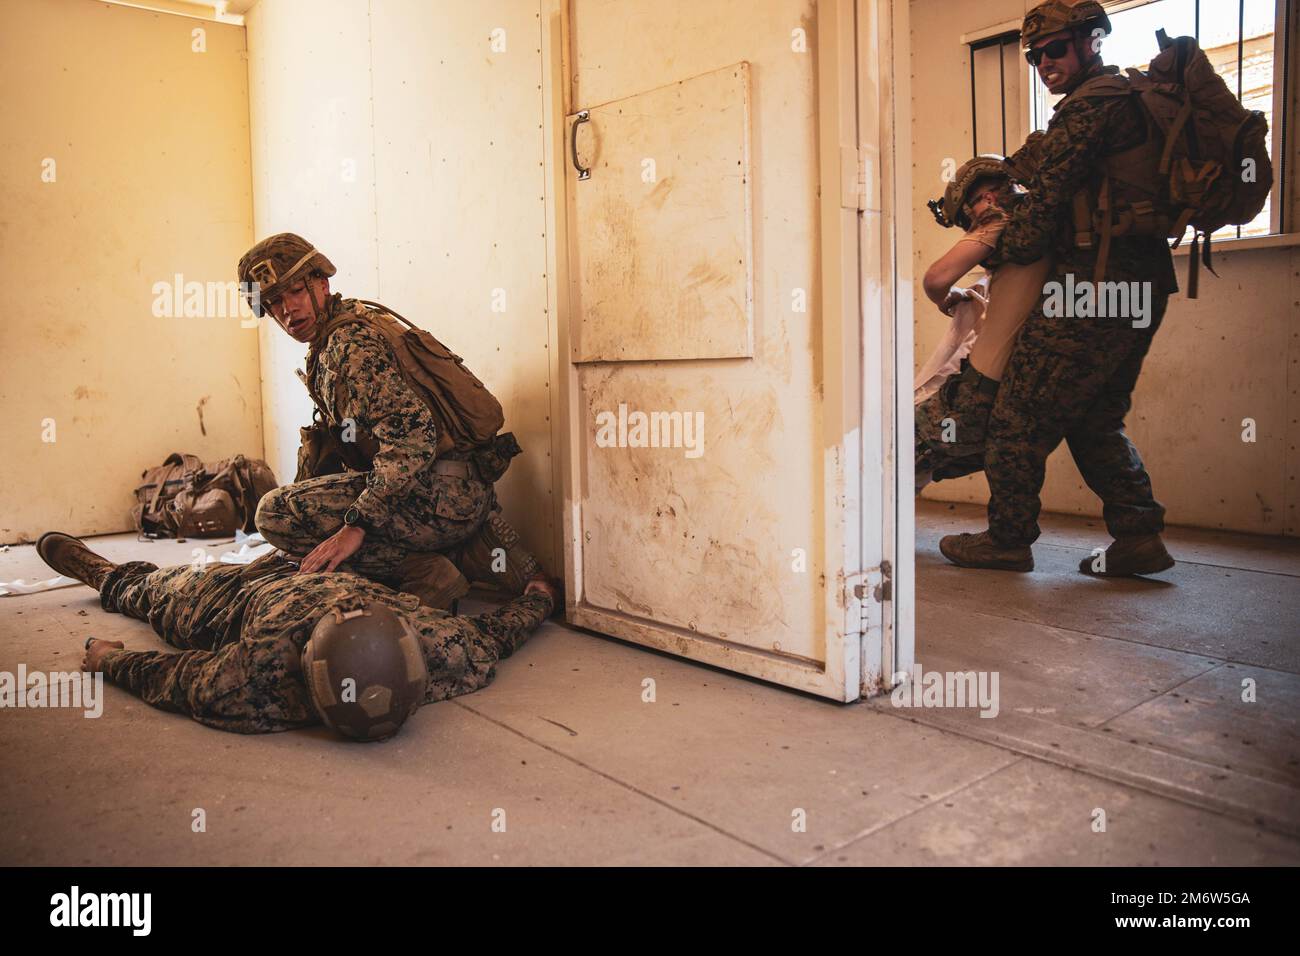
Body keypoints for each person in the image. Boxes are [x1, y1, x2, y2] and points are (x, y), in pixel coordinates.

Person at [939, 0, 1177, 576]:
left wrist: (993, 240)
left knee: (1015, 415)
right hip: (1142, 287)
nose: (1044, 63)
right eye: (1035, 56)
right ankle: (1139, 536)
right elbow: (1024, 171)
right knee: (1095, 418)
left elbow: (1036, 221)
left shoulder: (1088, 110)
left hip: (1090, 289)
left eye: (1055, 49)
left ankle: (1007, 539)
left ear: (1092, 41)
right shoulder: (1118, 101)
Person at [237, 233, 540, 608]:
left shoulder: (348, 345)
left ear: (322, 283)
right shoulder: (355, 323)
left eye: (296, 291)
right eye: (274, 302)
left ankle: (428, 569)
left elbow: (413, 438)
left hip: (438, 500)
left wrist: (356, 525)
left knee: (274, 514)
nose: (288, 310)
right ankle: (472, 547)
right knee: (302, 522)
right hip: (459, 490)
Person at [35, 530, 557, 737]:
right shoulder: (446, 646)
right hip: (316, 567)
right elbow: (500, 630)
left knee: (156, 594)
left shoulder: (254, 678)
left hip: (233, 603)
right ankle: (112, 574)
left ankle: (102, 574)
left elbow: (178, 676)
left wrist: (108, 660)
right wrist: (539, 596)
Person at [914, 149, 1052, 493]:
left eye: (969, 214)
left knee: (912, 435)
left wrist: (945, 298)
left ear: (987, 198)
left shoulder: (1000, 219)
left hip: (993, 374)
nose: (972, 224)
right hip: (1039, 367)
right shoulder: (1041, 219)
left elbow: (935, 279)